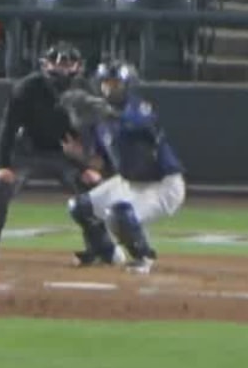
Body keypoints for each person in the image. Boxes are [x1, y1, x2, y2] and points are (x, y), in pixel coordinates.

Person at [0, 43, 94, 262]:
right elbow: (7, 127)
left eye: (67, 63)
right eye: (56, 63)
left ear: (77, 67)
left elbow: (97, 134)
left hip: (67, 156)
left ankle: (99, 248)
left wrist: (87, 165)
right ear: (45, 65)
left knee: (94, 189)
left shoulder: (86, 91)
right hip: (27, 151)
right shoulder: (27, 88)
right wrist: (3, 165)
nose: (61, 69)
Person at [60, 61, 186, 274]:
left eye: (115, 84)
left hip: (163, 186)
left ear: (127, 85)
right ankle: (106, 252)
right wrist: (79, 155)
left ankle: (143, 257)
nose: (109, 89)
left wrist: (109, 113)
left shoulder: (140, 107)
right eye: (106, 84)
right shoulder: (100, 122)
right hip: (128, 182)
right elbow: (101, 163)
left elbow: (142, 126)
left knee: (120, 216)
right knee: (79, 207)